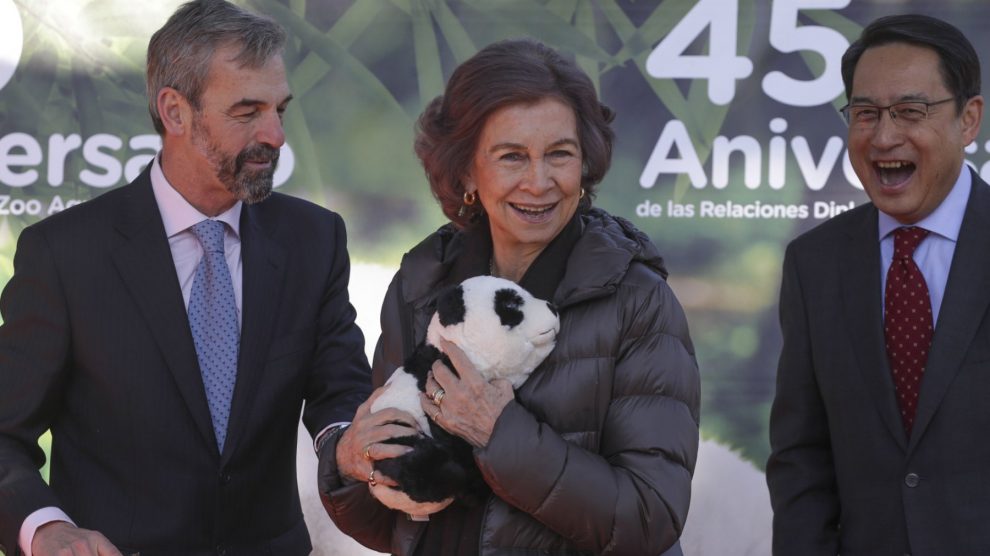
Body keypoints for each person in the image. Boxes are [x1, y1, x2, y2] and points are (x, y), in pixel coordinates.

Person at [0, 1, 372, 554]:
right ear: (175, 112)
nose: (275, 135)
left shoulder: (314, 240)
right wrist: (46, 529)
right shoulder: (65, 254)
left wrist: (346, 442)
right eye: (247, 111)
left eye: (279, 109)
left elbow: (339, 390)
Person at [316, 38, 700, 556]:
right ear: (467, 170)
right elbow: (391, 525)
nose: (539, 182)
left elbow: (650, 519)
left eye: (559, 154)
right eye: (512, 156)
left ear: (584, 164)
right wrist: (350, 463)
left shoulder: (637, 300)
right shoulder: (421, 283)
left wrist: (499, 434)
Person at [767, 13, 989, 555]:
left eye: (910, 111)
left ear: (968, 120)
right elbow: (802, 459)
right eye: (865, 113)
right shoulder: (814, 264)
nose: (885, 136)